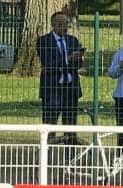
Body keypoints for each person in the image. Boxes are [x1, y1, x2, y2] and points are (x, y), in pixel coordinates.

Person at [36, 12, 85, 145]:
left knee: (70, 130)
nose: (64, 27)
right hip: (52, 90)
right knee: (49, 127)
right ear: (53, 25)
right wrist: (67, 60)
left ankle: (70, 162)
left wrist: (78, 59)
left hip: (70, 90)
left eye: (66, 24)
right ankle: (46, 161)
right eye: (60, 24)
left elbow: (78, 65)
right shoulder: (44, 41)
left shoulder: (72, 40)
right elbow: (47, 64)